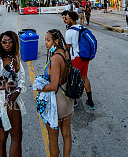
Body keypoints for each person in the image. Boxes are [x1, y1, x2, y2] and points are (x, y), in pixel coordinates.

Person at [40, 29, 74, 157]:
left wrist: (39, 88)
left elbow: (53, 86)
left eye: (48, 40)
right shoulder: (66, 53)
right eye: (45, 40)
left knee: (53, 140)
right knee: (67, 135)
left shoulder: (55, 59)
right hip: (68, 99)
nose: (45, 43)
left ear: (57, 41)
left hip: (56, 104)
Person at [65, 11, 94, 109]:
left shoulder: (69, 31)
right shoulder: (82, 28)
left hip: (76, 59)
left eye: (67, 18)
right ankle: (90, 101)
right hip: (85, 57)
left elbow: (67, 48)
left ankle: (74, 101)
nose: (65, 20)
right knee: (84, 77)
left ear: (71, 19)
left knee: (74, 79)